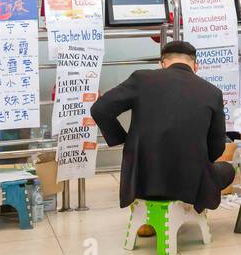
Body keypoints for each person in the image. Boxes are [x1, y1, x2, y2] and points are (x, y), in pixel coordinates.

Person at [90, 40, 233, 214]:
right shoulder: (212, 92)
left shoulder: (141, 79)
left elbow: (100, 109)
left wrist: (123, 139)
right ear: (196, 66)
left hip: (142, 182)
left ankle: (149, 218)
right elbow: (217, 147)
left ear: (162, 64)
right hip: (190, 185)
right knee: (227, 170)